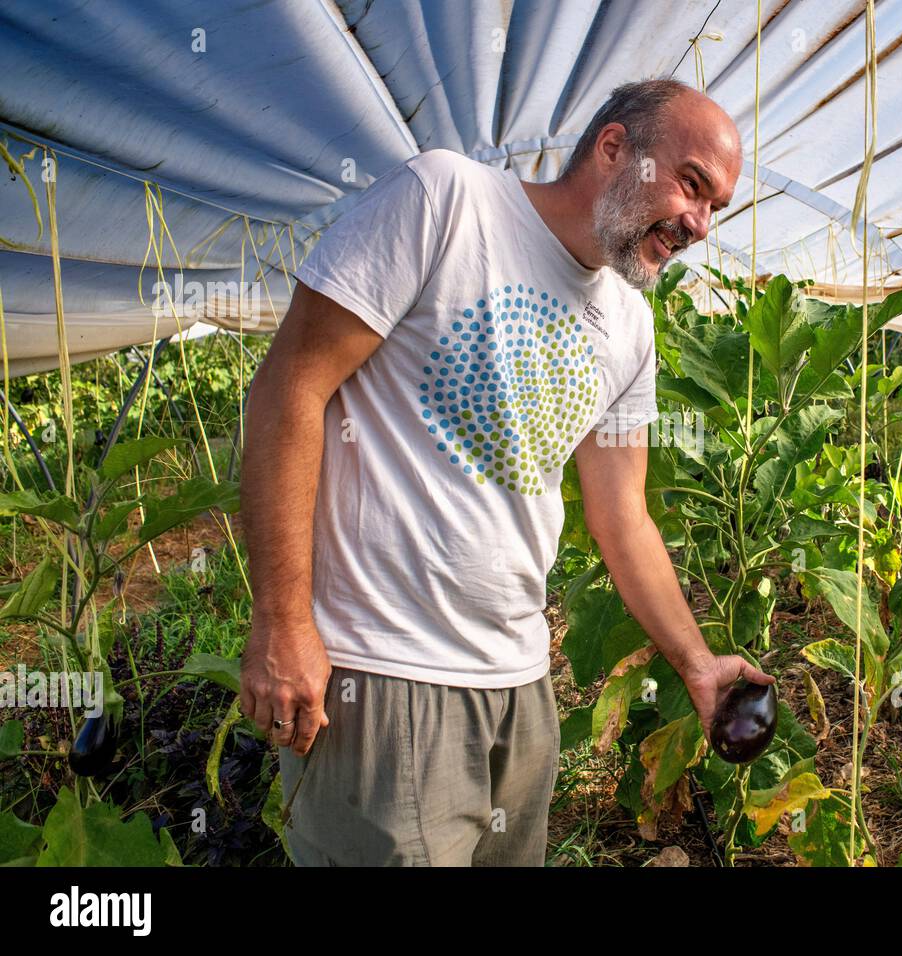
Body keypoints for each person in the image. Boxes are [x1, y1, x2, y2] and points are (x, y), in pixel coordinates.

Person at [238, 77, 773, 866]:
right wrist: (282, 624)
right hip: (382, 676)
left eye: (714, 207)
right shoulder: (448, 201)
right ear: (615, 147)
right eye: (692, 185)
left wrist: (698, 663)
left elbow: (622, 517)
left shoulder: (629, 326)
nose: (698, 222)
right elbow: (291, 388)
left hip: (520, 692)